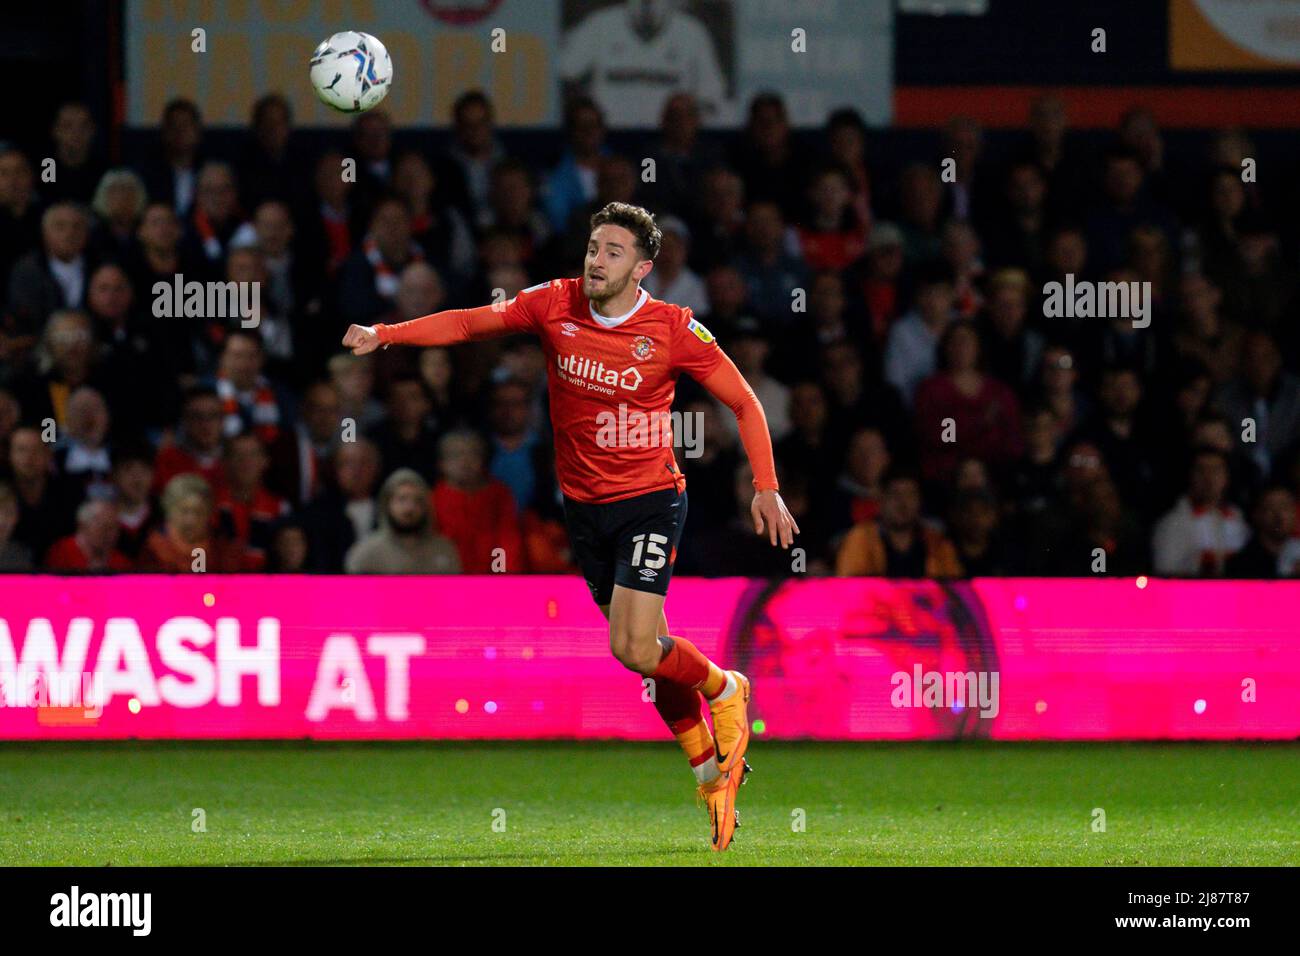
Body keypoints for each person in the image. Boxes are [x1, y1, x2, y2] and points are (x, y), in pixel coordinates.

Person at [343, 201, 798, 851]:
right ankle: (708, 771)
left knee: (634, 648)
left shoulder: (671, 329)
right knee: (650, 652)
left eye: (613, 251)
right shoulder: (553, 302)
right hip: (583, 508)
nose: (596, 259)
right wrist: (388, 333)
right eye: (593, 246)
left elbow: (744, 402)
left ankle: (727, 689)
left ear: (642, 268)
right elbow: (471, 323)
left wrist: (767, 488)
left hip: (650, 498)